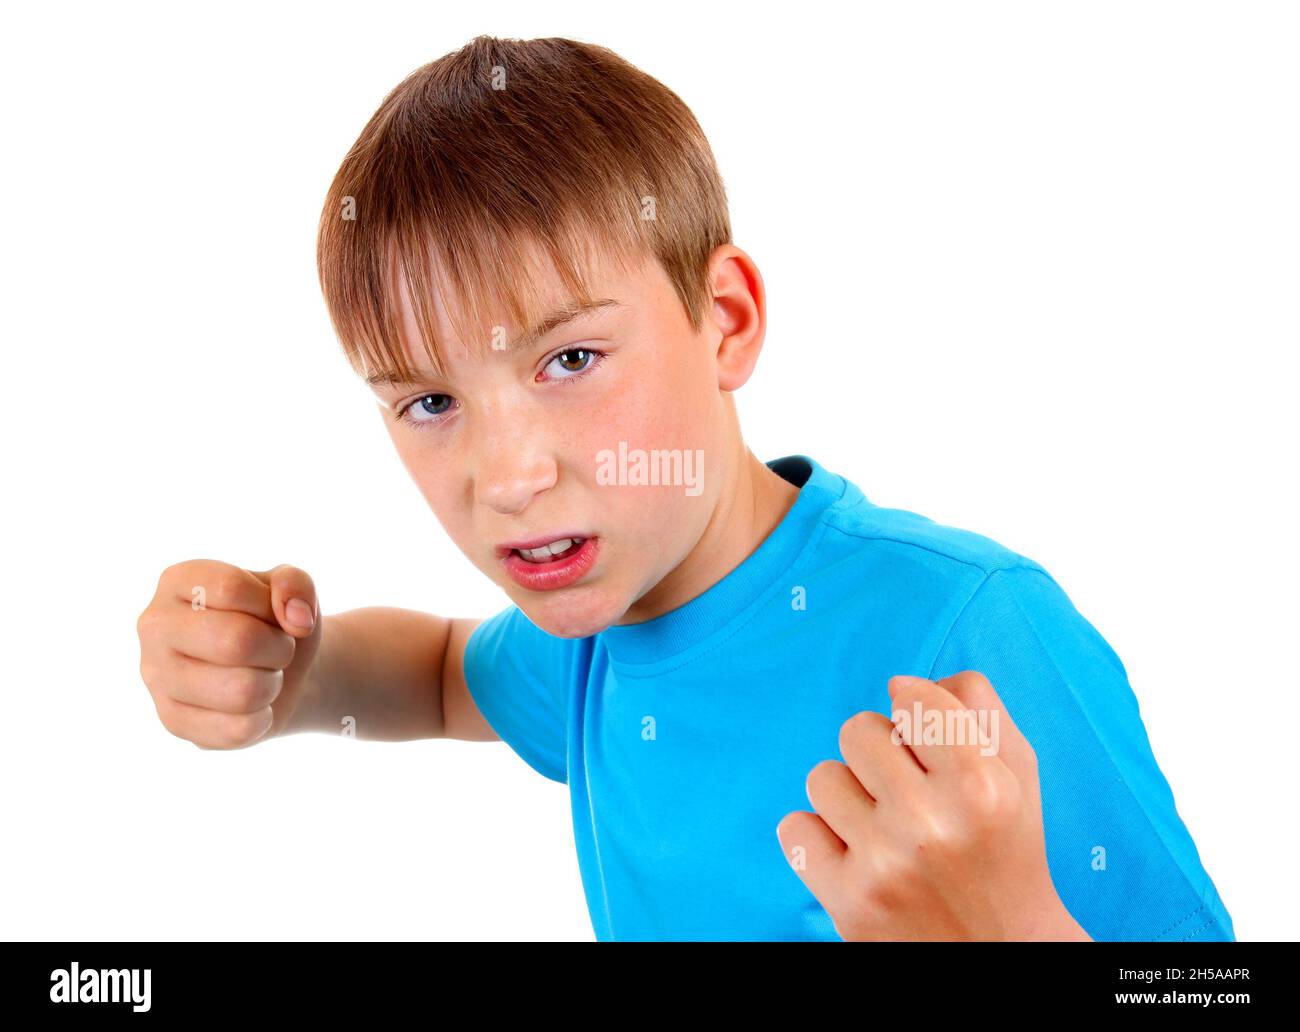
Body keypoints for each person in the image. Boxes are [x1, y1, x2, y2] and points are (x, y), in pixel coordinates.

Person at [137, 35, 1234, 942]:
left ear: (728, 320)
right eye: (429, 403)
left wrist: (1016, 931)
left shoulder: (966, 626)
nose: (510, 477)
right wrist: (292, 677)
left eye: (569, 361)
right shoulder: (591, 637)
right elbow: (429, 677)